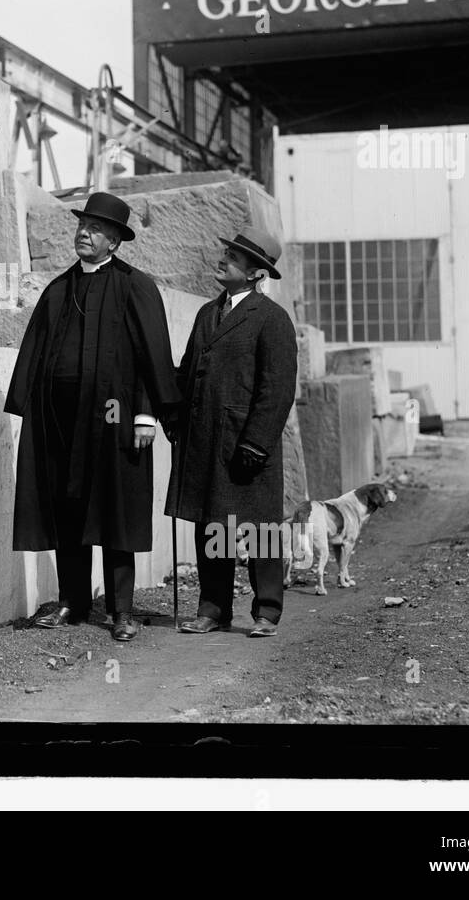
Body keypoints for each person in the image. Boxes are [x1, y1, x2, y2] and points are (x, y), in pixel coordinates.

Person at [6, 191, 180, 643]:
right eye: (83, 224)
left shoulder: (134, 286)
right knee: (67, 509)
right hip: (61, 422)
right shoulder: (59, 288)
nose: (85, 233)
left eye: (97, 229)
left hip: (115, 420)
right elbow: (36, 352)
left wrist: (147, 416)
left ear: (115, 242)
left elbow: (152, 357)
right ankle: (73, 602)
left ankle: (122, 611)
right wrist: (31, 409)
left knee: (115, 512)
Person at [162, 226, 298, 638]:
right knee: (211, 525)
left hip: (246, 442)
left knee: (259, 529)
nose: (223, 260)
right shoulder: (208, 314)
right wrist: (171, 415)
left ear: (256, 273)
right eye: (226, 253)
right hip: (204, 439)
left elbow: (277, 387)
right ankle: (214, 608)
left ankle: (267, 611)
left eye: (234, 258)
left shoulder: (271, 319)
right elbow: (187, 373)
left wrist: (257, 441)